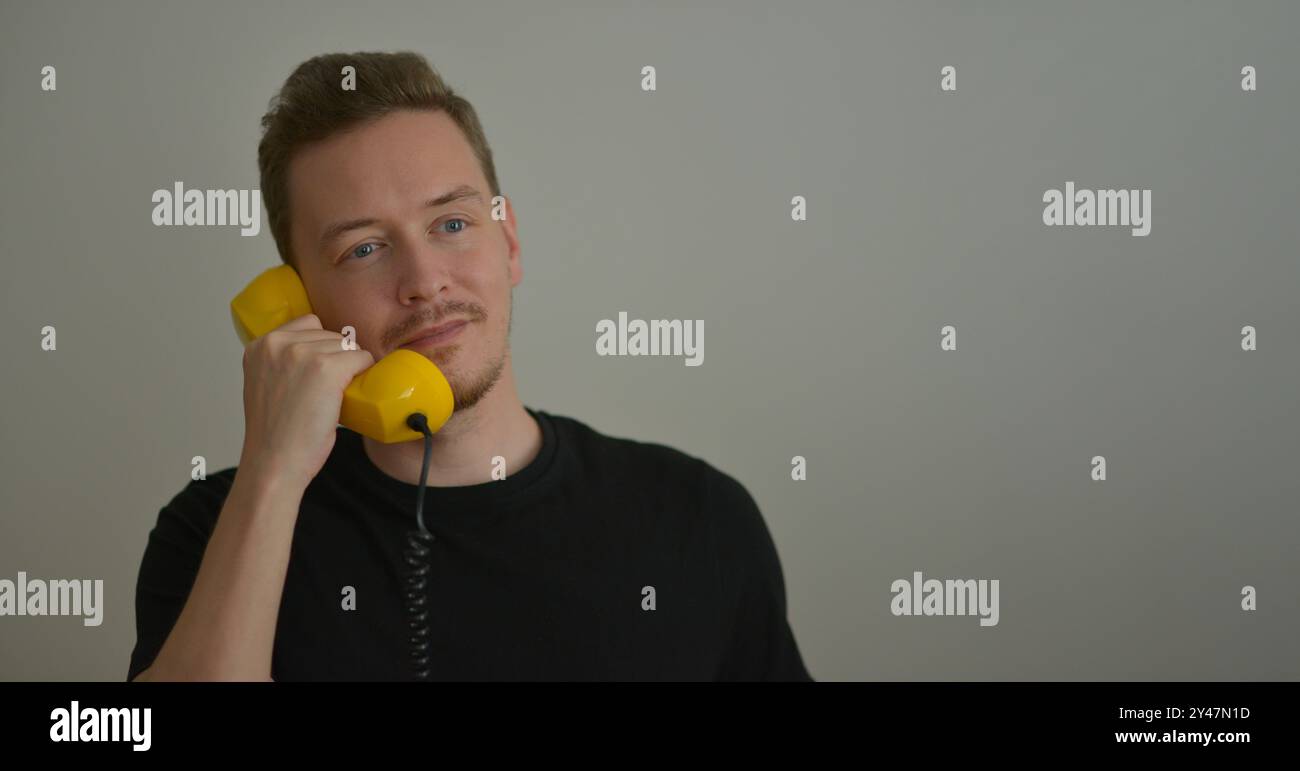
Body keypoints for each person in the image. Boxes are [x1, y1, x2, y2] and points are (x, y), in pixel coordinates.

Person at [128, 51, 811, 681]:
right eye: (364, 249)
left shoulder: (697, 517)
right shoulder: (215, 530)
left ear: (507, 241)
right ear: (297, 304)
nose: (425, 280)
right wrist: (272, 473)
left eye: (452, 223)